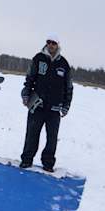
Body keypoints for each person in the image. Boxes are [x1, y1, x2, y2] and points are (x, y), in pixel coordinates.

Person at [19, 35, 73, 172]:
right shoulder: (38, 58)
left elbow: (69, 87)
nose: (50, 45)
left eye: (53, 43)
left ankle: (48, 163)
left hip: (54, 108)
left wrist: (66, 105)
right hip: (37, 105)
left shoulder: (64, 64)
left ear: (58, 45)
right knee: (31, 134)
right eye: (48, 42)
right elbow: (30, 78)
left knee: (52, 139)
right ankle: (26, 160)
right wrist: (26, 93)